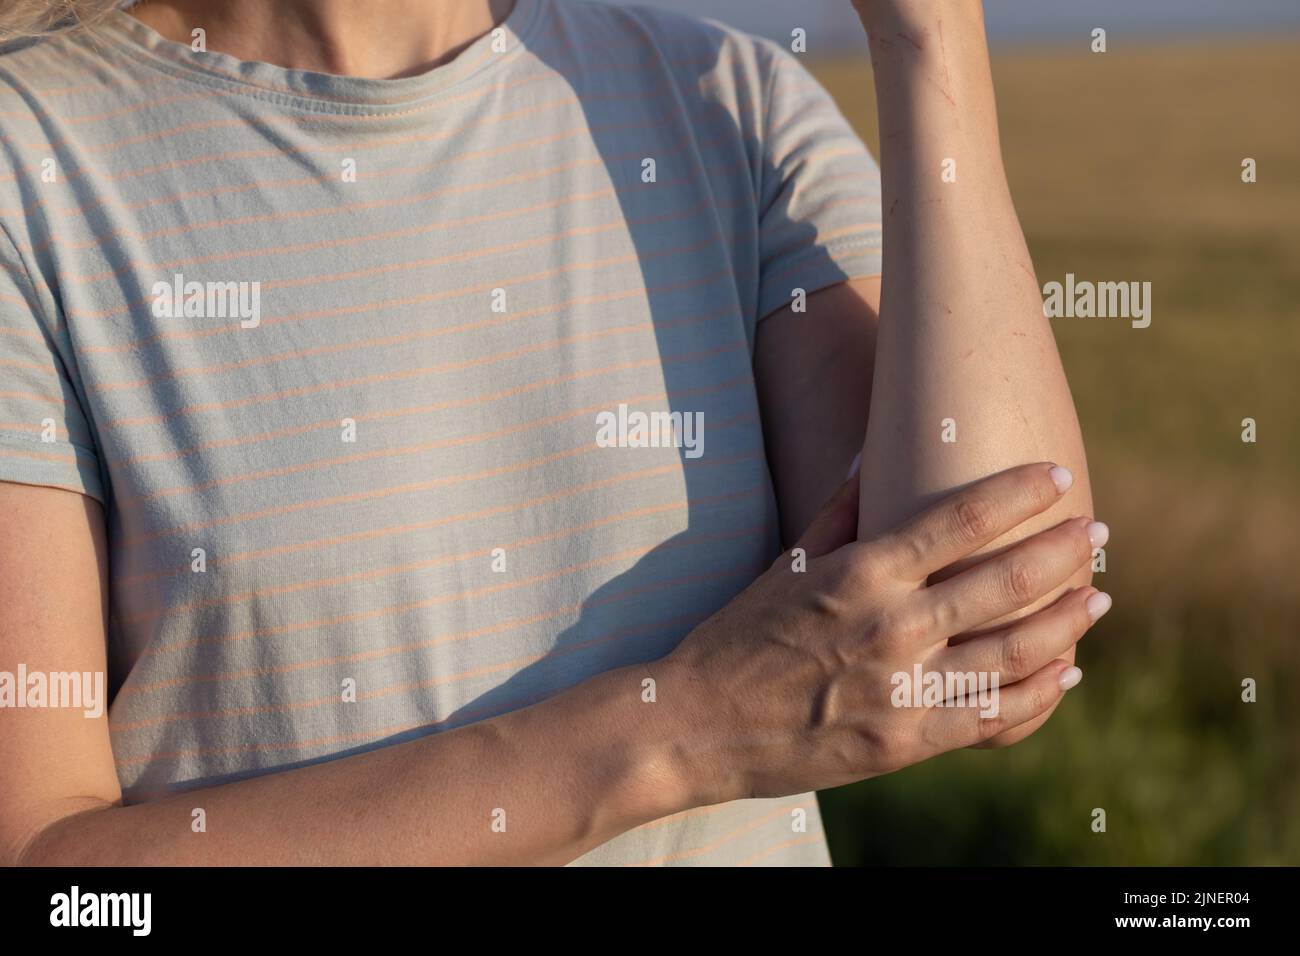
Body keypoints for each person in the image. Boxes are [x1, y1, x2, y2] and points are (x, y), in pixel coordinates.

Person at [0, 0, 1103, 866]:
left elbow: (980, 634)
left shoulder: (728, 100)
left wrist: (929, 36)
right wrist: (687, 728)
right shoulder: (30, 161)